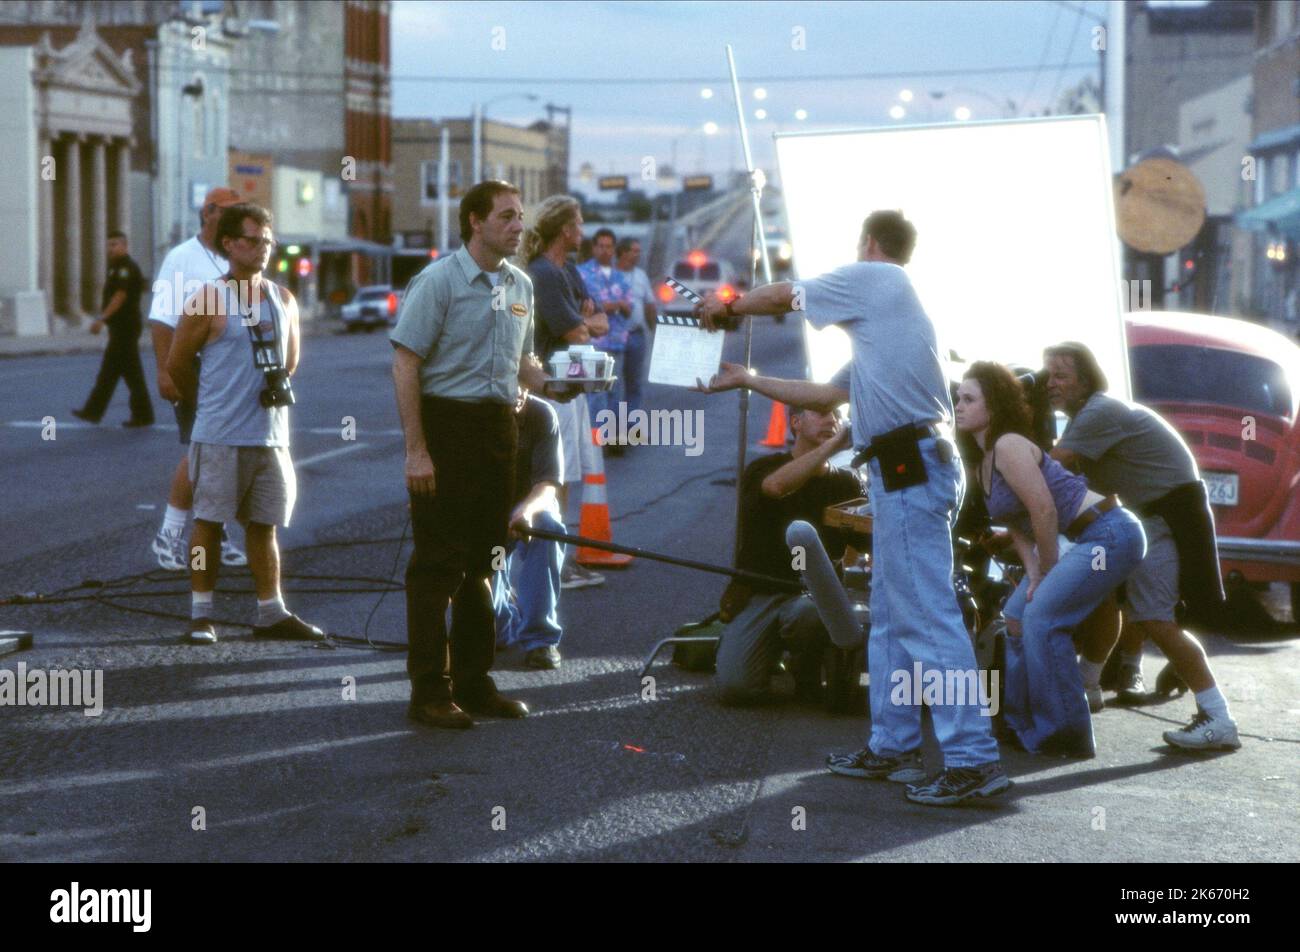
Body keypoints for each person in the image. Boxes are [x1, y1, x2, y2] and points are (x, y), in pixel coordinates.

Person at [697, 209, 1011, 807]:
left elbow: (788, 295)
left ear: (869, 244)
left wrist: (729, 305)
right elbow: (825, 394)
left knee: (926, 613)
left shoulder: (879, 279)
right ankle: (892, 744)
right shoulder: (883, 328)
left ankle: (972, 757)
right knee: (893, 615)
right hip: (905, 467)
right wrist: (750, 379)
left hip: (910, 465)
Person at [391, 179, 560, 730]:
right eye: (507, 217)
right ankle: (429, 692)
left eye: (520, 217)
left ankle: (474, 680)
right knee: (436, 568)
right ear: (475, 222)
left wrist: (554, 376)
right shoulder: (438, 281)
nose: (518, 226)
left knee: (486, 564)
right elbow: (406, 364)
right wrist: (418, 451)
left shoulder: (521, 285)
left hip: (497, 432)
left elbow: (523, 362)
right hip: (446, 426)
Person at [1045, 342, 1241, 750]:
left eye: (1060, 375)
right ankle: (1089, 684)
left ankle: (1218, 716)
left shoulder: (1097, 412)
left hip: (1162, 518)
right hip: (1150, 516)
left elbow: (1050, 465)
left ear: (1085, 381)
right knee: (1103, 590)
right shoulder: (1088, 415)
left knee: (1154, 618)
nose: (1050, 384)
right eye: (1048, 375)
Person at [957, 361, 1146, 757]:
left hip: (1109, 531)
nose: (959, 405)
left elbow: (1044, 512)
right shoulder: (984, 464)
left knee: (1043, 618)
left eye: (969, 399)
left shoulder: (1008, 444)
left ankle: (1066, 733)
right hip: (1084, 537)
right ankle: (1019, 722)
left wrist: (1046, 571)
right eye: (958, 398)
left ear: (993, 407)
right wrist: (1034, 572)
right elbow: (1022, 526)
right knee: (1015, 616)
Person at [167, 202, 324, 646]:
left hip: (270, 434)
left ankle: (270, 611)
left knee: (264, 524)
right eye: (252, 241)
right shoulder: (208, 298)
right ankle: (201, 614)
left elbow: (289, 364)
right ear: (230, 244)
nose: (262, 250)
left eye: (268, 242)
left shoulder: (283, 299)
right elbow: (178, 364)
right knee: (209, 522)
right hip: (219, 434)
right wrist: (206, 405)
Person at [716, 407, 861, 705]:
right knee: (735, 688)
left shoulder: (847, 483)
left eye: (836, 414)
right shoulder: (764, 468)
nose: (832, 420)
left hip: (813, 597)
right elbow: (775, 487)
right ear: (795, 422)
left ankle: (807, 666)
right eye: (821, 413)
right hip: (760, 594)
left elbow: (865, 545)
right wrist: (834, 445)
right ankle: (764, 652)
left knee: (808, 613)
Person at [147, 186, 248, 572]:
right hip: (194, 370)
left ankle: (216, 535)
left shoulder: (234, 255)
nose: (237, 220)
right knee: (201, 453)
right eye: (230, 211)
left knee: (226, 456)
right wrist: (164, 370)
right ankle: (168, 536)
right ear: (208, 212)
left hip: (232, 373)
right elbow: (161, 318)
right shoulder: (182, 258)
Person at [521, 195, 609, 591]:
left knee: (571, 472)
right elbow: (578, 330)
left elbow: (600, 321)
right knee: (554, 473)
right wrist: (584, 320)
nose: (584, 231)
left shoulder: (567, 269)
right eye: (579, 223)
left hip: (574, 382)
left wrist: (585, 320)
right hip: (550, 385)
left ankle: (561, 557)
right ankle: (550, 561)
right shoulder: (545, 273)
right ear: (565, 230)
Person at [492, 391, 567, 670]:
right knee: (493, 631)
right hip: (489, 511)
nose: (517, 394)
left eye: (522, 385)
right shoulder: (476, 414)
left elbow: (548, 484)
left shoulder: (541, 414)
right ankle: (502, 616)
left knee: (549, 528)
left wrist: (525, 511)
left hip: (531, 507)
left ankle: (540, 637)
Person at [73, 230, 154, 428]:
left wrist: (102, 318)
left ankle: (94, 411)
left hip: (126, 327)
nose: (110, 249)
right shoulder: (115, 267)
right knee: (125, 373)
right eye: (108, 245)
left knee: (112, 372)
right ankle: (140, 415)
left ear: (125, 246)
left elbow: (120, 295)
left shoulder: (126, 268)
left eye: (115, 245)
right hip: (121, 327)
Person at [577, 228, 633, 432]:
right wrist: (614, 304)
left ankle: (614, 437)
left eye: (609, 246)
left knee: (616, 391)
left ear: (614, 249)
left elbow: (629, 307)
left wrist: (612, 305)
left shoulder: (621, 277)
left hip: (617, 340)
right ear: (594, 248)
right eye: (600, 246)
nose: (604, 250)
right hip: (595, 343)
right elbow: (587, 305)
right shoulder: (582, 273)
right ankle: (595, 438)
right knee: (596, 392)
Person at [614, 236, 656, 440]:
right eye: (634, 251)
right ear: (622, 252)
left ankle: (631, 428)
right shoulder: (610, 276)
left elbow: (649, 304)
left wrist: (654, 328)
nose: (638, 255)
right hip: (613, 338)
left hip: (636, 336)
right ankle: (612, 431)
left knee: (634, 384)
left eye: (639, 251)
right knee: (613, 385)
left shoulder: (641, 276)